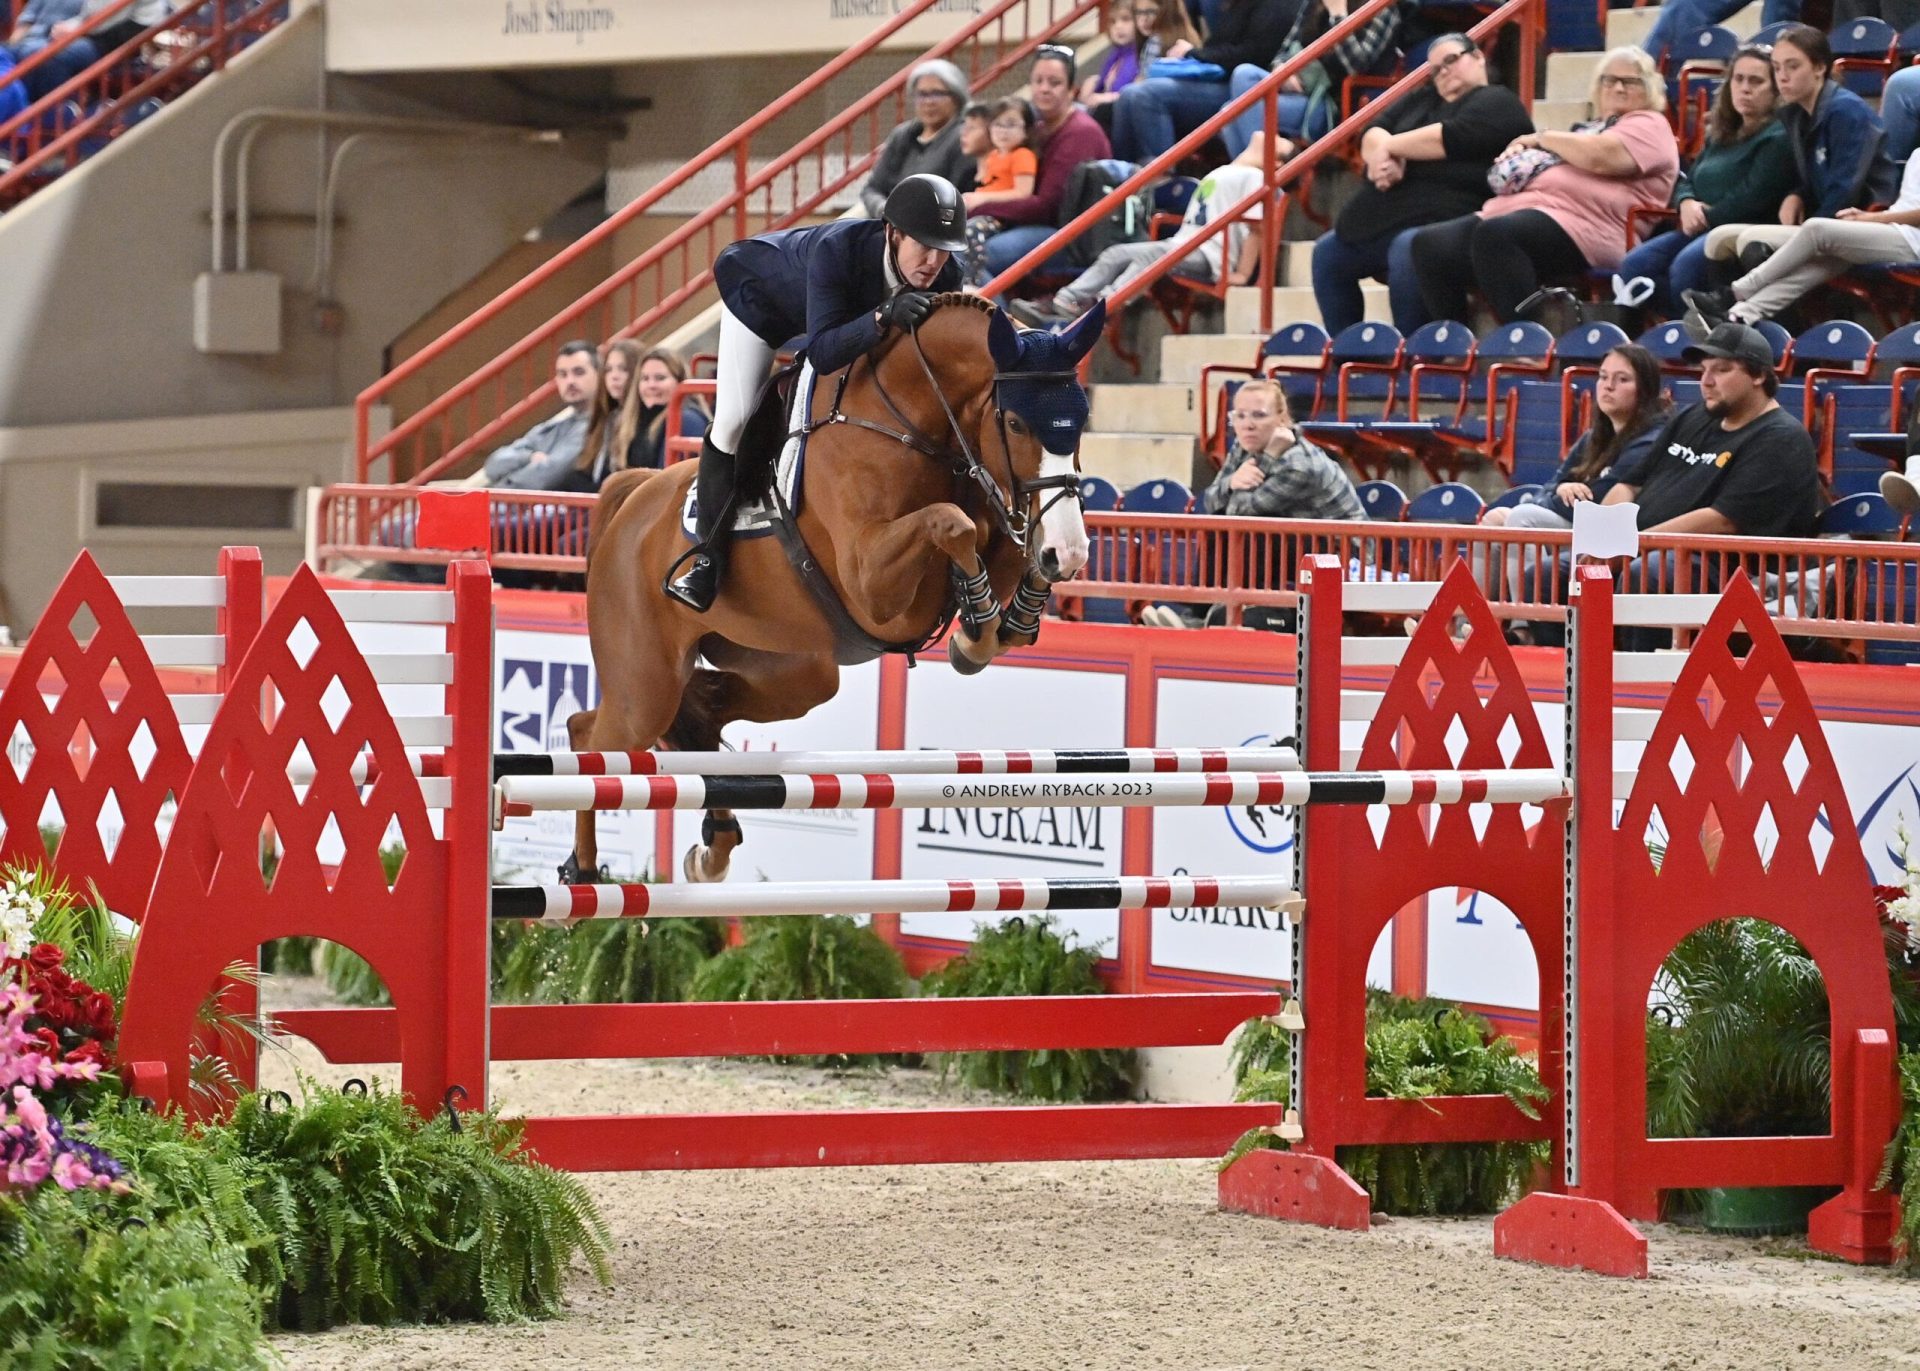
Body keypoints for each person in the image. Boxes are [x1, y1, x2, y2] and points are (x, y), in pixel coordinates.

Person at [666, 173, 967, 613]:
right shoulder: (839, 251)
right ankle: (707, 560)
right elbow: (823, 352)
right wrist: (883, 315)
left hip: (838, 314)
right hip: (762, 303)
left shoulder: (946, 273)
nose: (934, 261)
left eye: (944, 250)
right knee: (734, 422)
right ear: (894, 233)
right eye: (924, 245)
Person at [1410, 47, 1679, 325]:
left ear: (1649, 89)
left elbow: (1600, 157)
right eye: (1609, 80)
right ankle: (1454, 347)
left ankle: (1526, 343)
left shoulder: (1650, 124)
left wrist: (1541, 138)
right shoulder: (1587, 129)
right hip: (1533, 213)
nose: (1618, 88)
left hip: (1593, 226)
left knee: (1497, 235)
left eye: (1630, 81)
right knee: (1430, 244)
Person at [1310, 32, 1532, 334]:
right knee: (1328, 253)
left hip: (1458, 220)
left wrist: (1391, 148)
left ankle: (1418, 354)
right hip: (1388, 216)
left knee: (1409, 247)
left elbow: (1448, 137)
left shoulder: (1498, 101)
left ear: (1478, 57)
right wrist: (1381, 158)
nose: (1444, 72)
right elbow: (1372, 131)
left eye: (1451, 60)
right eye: (1436, 69)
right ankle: (1350, 357)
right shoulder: (1420, 100)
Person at [1693, 27, 1899, 288]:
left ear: (1819, 68)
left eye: (1792, 67)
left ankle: (1781, 327)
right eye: (1777, 68)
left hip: (1859, 221)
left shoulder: (1847, 111)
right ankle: (1727, 322)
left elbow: (1845, 189)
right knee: (1718, 239)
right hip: (1822, 220)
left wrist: (1808, 229)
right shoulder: (1795, 114)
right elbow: (1816, 175)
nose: (1783, 78)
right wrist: (1798, 193)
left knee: (1753, 244)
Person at [1007, 132, 1283, 326]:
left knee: (1148, 258)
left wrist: (1242, 273)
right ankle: (1065, 301)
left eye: (1279, 141)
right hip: (1182, 243)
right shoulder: (1227, 170)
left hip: (1211, 256)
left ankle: (1100, 307)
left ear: (1278, 161)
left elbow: (1257, 228)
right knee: (1116, 252)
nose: (1267, 133)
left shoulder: (1257, 176)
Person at [1616, 47, 1796, 316]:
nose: (1745, 88)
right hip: (1700, 224)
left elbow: (1753, 196)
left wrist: (1704, 217)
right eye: (1738, 79)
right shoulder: (1721, 132)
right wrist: (1686, 203)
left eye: (1756, 81)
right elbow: (1688, 177)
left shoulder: (1778, 136)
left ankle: (1700, 338)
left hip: (1742, 229)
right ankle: (1676, 330)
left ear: (1775, 90)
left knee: (1685, 267)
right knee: (1635, 266)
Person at [1684, 148, 1920, 325]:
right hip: (1896, 231)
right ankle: (1742, 315)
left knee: (1817, 230)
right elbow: (1906, 204)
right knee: (1823, 261)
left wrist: (1871, 220)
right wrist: (1867, 217)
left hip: (1913, 243)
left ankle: (1736, 292)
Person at [1486, 344, 1667, 537]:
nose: (1608, 386)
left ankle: (1528, 568)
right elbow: (1550, 485)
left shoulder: (1650, 440)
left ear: (1646, 389)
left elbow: (1598, 502)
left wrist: (1551, 498)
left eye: (1622, 379)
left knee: (1523, 517)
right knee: (1493, 520)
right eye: (1604, 376)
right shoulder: (1593, 437)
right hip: (1573, 521)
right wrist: (1562, 488)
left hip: (1612, 535)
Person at [967, 47, 1112, 286]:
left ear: (1070, 90)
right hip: (1034, 224)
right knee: (954, 248)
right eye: (1038, 81)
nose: (1044, 88)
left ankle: (998, 323)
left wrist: (981, 205)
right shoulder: (1036, 127)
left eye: (1054, 82)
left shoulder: (1080, 133)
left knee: (977, 256)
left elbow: (1048, 207)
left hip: (1069, 236)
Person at [1108, 0, 1295, 164]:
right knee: (1128, 94)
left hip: (1242, 87)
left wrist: (1193, 53)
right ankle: (1123, 176)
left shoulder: (1275, 5)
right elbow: (1218, 47)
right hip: (1218, 78)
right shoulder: (1237, 5)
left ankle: (1163, 182)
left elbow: (1252, 56)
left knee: (1145, 95)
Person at [1223, 0, 1406, 155]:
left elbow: (1356, 66)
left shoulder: (1383, 7)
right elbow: (1286, 47)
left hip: (1330, 104)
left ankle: (1262, 177)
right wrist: (1282, 70)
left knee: (1232, 111)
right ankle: (1261, 177)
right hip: (1296, 90)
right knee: (1242, 79)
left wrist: (1338, 15)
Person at [1201, 378, 1364, 519]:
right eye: (1240, 416)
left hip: (1340, 548)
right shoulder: (1242, 445)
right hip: (1298, 540)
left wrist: (1268, 456)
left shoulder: (1299, 464)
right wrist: (1231, 482)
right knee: (1214, 539)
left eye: (1259, 415)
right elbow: (1209, 502)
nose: (1247, 425)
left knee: (1247, 539)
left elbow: (1239, 514)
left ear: (1281, 418)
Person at [482, 341, 604, 492]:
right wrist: (528, 457)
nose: (570, 381)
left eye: (578, 372)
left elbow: (543, 478)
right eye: (563, 374)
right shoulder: (551, 427)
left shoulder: (597, 427)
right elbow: (493, 464)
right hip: (506, 506)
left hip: (528, 509)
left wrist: (500, 490)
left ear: (600, 375)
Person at [859, 59, 972, 219]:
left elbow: (956, 199)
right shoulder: (902, 134)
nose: (928, 102)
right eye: (922, 94)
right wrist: (884, 209)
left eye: (937, 93)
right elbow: (872, 189)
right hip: (889, 221)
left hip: (933, 228)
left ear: (956, 97)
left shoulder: (964, 136)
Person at [961, 97, 1040, 287]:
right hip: (982, 211)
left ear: (1026, 131)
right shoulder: (994, 156)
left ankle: (972, 281)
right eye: (997, 124)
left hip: (999, 216)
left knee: (970, 231)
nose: (1003, 131)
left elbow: (1023, 192)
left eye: (1011, 125)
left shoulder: (1023, 155)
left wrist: (982, 198)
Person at [617, 346, 709, 474]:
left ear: (680, 381)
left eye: (660, 378)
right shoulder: (636, 419)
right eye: (645, 378)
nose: (651, 385)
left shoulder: (688, 419)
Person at [1081, 3, 1146, 136]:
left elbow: (1137, 92)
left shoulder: (1142, 55)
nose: (1118, 26)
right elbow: (1100, 88)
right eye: (1113, 21)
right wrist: (1093, 83)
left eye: (1126, 19)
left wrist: (1106, 97)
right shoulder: (1115, 55)